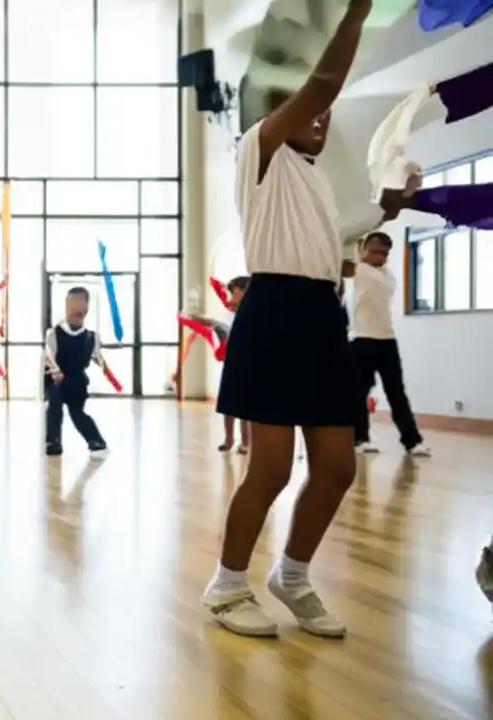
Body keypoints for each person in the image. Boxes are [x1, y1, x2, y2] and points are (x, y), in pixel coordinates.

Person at [202, 0, 371, 639]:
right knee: (270, 465)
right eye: (306, 106)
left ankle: (293, 576)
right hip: (272, 312)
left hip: (321, 319)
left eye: (326, 115)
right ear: (273, 111)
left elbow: (330, 249)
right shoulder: (260, 148)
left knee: (337, 463)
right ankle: (225, 586)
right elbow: (323, 83)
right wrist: (356, 13)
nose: (321, 115)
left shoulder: (315, 178)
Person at [349, 232, 430, 457]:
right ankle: (360, 438)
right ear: (363, 249)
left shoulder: (387, 275)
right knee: (360, 392)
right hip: (362, 339)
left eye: (384, 253)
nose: (379, 256)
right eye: (374, 251)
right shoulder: (356, 269)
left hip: (387, 339)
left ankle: (412, 441)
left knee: (397, 392)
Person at [43, 287, 110, 460]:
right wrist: (55, 370)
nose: (75, 313)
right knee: (54, 408)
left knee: (77, 412)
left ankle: (96, 441)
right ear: (66, 307)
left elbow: (96, 355)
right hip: (57, 379)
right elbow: (49, 354)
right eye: (72, 309)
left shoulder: (91, 336)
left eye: (80, 309)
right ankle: (53, 441)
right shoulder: (54, 333)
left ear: (86, 309)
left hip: (77, 380)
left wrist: (103, 365)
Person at [218, 276, 251, 454]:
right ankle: (228, 439)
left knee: (244, 404)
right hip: (231, 359)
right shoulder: (229, 311)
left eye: (237, 289)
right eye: (233, 290)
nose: (234, 293)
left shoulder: (252, 310)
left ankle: (246, 442)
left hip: (247, 360)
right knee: (228, 401)